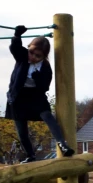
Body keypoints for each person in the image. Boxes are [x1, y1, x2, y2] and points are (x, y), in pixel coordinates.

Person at [5, 25, 73, 161]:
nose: (33, 57)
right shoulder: (22, 57)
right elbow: (14, 48)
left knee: (48, 116)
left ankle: (62, 144)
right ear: (28, 48)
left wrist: (38, 78)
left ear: (44, 56)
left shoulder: (45, 67)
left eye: (38, 56)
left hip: (35, 96)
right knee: (21, 129)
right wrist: (17, 36)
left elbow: (45, 87)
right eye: (31, 52)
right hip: (18, 96)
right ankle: (30, 155)